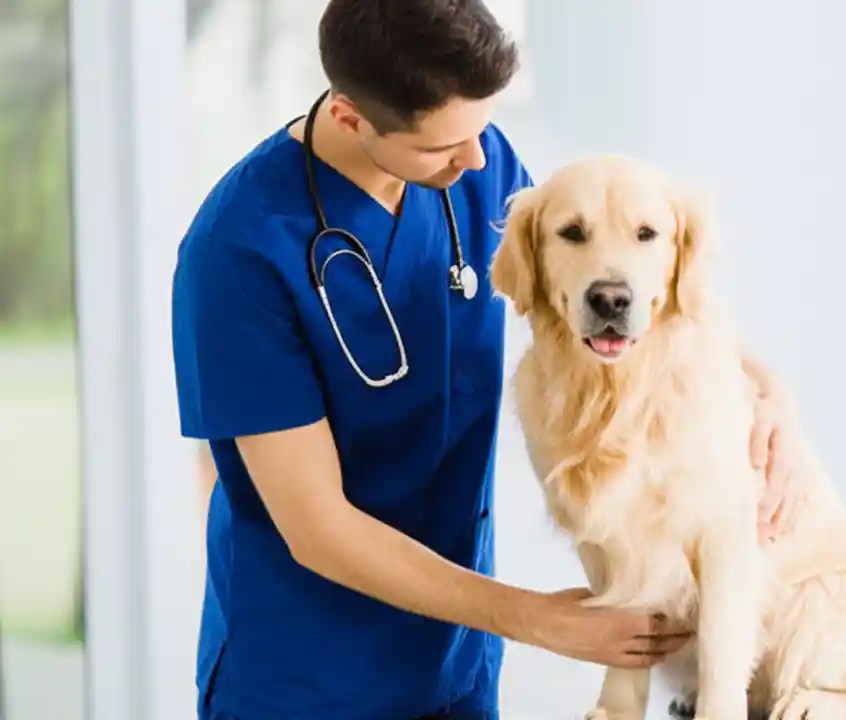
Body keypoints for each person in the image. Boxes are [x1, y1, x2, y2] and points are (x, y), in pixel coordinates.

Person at [170, 1, 802, 718]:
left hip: (457, 662)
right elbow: (317, 526)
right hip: (307, 677)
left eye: (481, 129)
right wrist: (540, 619)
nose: (476, 161)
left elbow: (600, 290)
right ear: (350, 117)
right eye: (444, 147)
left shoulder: (478, 158)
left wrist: (764, 385)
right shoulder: (239, 253)